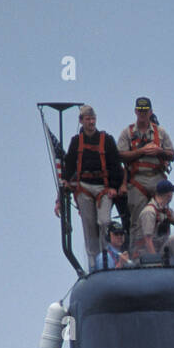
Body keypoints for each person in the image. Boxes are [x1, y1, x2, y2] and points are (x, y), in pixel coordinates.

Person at [63, 105, 124, 263]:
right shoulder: (76, 142)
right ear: (81, 121)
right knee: (89, 226)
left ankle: (106, 258)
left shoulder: (106, 140)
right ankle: (93, 262)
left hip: (103, 187)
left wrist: (113, 186)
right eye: (88, 119)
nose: (91, 122)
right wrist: (66, 179)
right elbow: (69, 163)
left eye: (93, 118)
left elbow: (115, 164)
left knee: (104, 221)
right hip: (84, 188)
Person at [117, 97, 174, 231]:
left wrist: (159, 151)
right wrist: (141, 151)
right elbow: (120, 155)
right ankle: (137, 245)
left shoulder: (161, 132)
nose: (142, 114)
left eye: (145, 111)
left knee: (162, 218)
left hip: (157, 178)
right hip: (137, 180)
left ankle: (161, 243)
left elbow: (172, 155)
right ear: (135, 111)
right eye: (140, 111)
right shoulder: (127, 133)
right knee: (137, 221)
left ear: (150, 112)